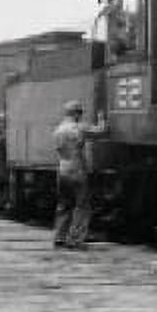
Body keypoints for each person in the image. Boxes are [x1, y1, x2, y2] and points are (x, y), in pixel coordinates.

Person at [52, 100, 107, 249]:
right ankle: (75, 240)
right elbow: (101, 131)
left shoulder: (58, 129)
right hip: (77, 170)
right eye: (80, 113)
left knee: (63, 205)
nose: (81, 116)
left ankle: (59, 237)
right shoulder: (79, 128)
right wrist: (102, 117)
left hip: (62, 169)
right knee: (81, 206)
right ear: (76, 113)